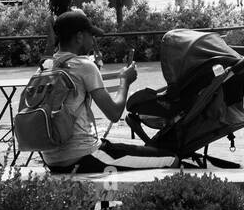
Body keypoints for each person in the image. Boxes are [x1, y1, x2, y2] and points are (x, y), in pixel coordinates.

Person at [38, 12, 177, 173]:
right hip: (84, 155)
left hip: (51, 159)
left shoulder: (45, 66)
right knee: (171, 160)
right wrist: (124, 81)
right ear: (79, 37)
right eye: (91, 36)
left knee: (130, 151)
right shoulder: (84, 65)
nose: (93, 41)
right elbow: (114, 113)